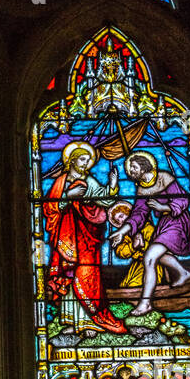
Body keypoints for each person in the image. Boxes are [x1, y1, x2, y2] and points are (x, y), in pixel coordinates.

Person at [42, 140, 128, 335]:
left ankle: (90, 321)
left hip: (87, 237)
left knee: (88, 274)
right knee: (70, 275)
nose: (86, 163)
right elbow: (50, 207)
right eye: (82, 159)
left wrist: (113, 185)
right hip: (67, 236)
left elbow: (103, 199)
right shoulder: (61, 181)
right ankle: (72, 321)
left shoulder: (89, 181)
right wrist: (67, 196)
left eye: (88, 160)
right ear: (72, 160)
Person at [110, 151, 190, 315]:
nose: (131, 172)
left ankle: (145, 303)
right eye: (130, 170)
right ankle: (183, 273)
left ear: (144, 166)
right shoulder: (142, 189)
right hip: (165, 224)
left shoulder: (164, 178)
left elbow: (183, 199)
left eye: (134, 167)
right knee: (157, 254)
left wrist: (164, 208)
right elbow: (138, 215)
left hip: (178, 221)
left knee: (149, 257)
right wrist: (122, 231)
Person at [107, 201, 167, 290]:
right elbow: (121, 252)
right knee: (124, 286)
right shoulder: (125, 236)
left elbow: (158, 247)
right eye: (117, 220)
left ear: (129, 213)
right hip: (136, 266)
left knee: (134, 285)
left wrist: (143, 245)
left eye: (121, 216)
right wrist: (133, 246)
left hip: (151, 265)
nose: (121, 220)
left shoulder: (147, 227)